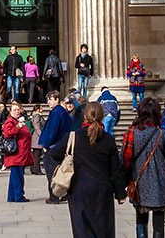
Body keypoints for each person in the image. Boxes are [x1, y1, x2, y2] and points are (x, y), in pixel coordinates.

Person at [50, 101, 129, 238]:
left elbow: (53, 154)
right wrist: (120, 193)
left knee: (82, 230)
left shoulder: (73, 137)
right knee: (103, 229)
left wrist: (66, 162)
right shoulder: (108, 139)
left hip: (78, 190)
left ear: (85, 116)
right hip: (102, 190)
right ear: (102, 117)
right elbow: (115, 170)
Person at [124, 98, 165, 238]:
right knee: (159, 224)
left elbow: (124, 158)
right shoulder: (162, 135)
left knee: (141, 221)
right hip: (159, 185)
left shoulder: (132, 133)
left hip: (140, 184)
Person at [39, 94, 76, 204]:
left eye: (50, 100)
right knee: (63, 171)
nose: (48, 102)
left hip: (54, 146)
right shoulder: (63, 112)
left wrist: (46, 145)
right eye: (47, 100)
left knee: (52, 173)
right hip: (62, 145)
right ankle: (65, 194)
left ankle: (54, 196)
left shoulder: (56, 112)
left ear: (57, 99)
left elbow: (52, 130)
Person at [2, 101, 35, 202]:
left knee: (15, 176)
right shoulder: (10, 122)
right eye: (14, 110)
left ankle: (12, 196)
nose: (17, 111)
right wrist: (17, 127)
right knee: (18, 177)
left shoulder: (17, 121)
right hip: (16, 153)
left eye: (18, 109)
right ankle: (19, 196)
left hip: (20, 153)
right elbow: (7, 133)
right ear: (10, 111)